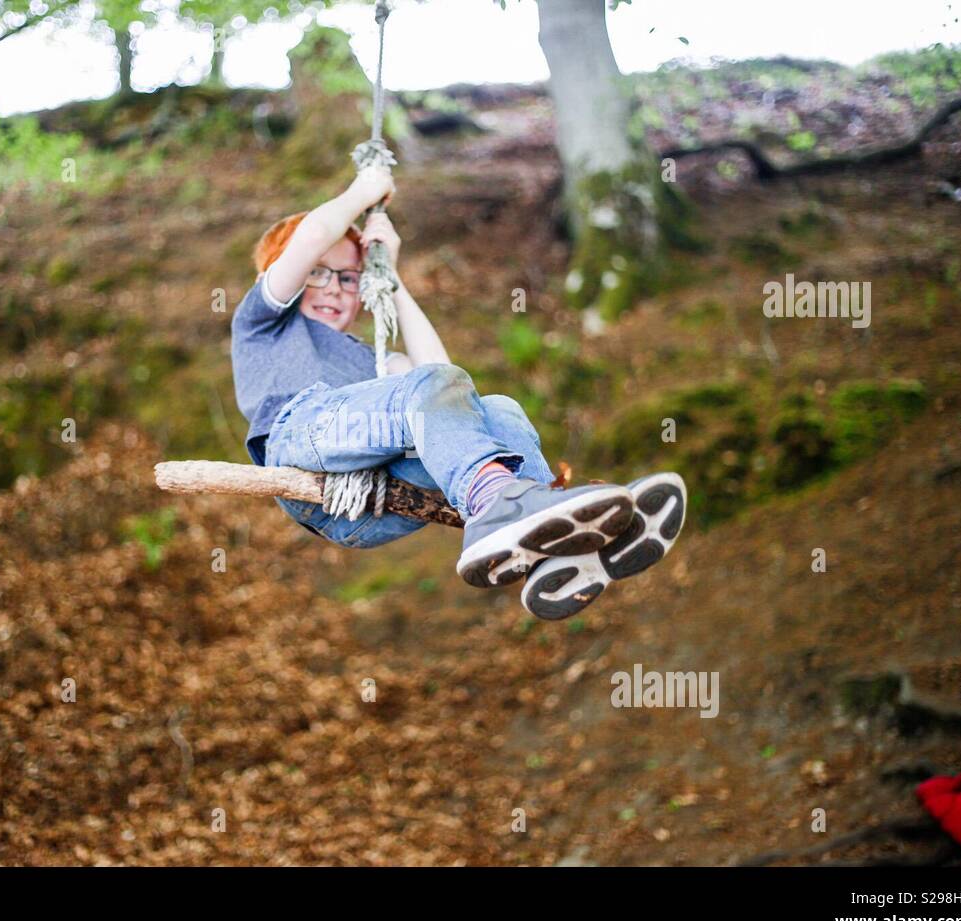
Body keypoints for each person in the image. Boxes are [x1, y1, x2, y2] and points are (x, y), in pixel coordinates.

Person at [230, 166, 686, 620]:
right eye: (317, 273)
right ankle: (499, 504)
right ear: (287, 274)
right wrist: (361, 191)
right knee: (429, 390)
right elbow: (310, 237)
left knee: (497, 410)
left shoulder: (373, 362)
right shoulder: (264, 323)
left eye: (349, 278)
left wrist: (391, 278)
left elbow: (440, 376)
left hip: (378, 506)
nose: (334, 288)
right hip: (302, 449)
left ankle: (555, 547)